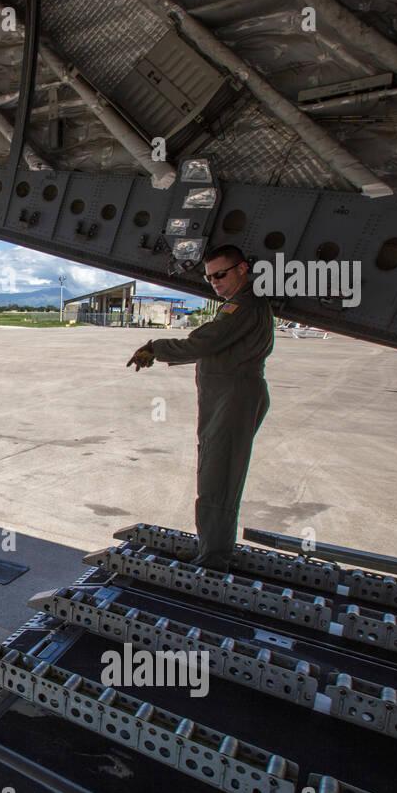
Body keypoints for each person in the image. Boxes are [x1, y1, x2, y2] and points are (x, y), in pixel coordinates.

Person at [126, 244, 274, 572]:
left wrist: (155, 347)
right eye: (209, 278)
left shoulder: (243, 306)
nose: (215, 283)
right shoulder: (241, 304)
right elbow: (208, 347)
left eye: (220, 275)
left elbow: (203, 343)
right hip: (228, 397)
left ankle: (213, 560)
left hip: (232, 399)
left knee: (217, 480)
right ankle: (211, 549)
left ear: (242, 269)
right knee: (215, 474)